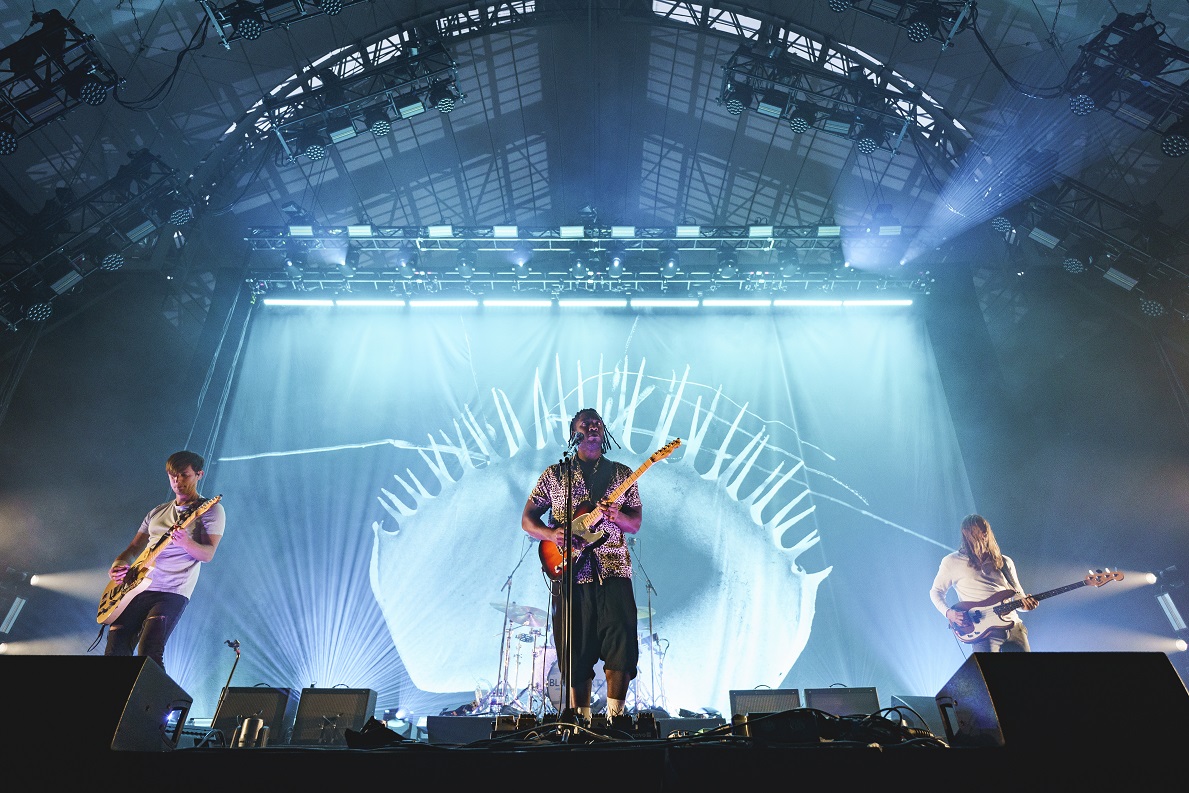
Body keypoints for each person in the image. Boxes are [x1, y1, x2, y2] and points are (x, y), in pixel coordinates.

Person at [521, 408, 643, 722]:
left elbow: (636, 523)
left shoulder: (622, 474)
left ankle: (616, 719)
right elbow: (527, 520)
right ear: (574, 431)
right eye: (585, 423)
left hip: (613, 570)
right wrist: (551, 533)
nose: (592, 426)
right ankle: (581, 722)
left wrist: (618, 516)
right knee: (574, 651)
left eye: (597, 422)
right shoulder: (555, 474)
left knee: (621, 645)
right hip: (571, 574)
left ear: (604, 432)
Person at [104, 450, 226, 671]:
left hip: (172, 591)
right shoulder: (157, 512)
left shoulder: (211, 510)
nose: (177, 481)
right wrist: (118, 565)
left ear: (199, 474)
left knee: (149, 651)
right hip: (135, 589)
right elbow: (133, 548)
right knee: (115, 649)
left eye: (184, 475)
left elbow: (207, 554)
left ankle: (155, 706)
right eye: (172, 476)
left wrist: (185, 542)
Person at [929, 513, 1038, 652]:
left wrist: (1026, 605)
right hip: (982, 631)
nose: (983, 535)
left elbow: (1018, 597)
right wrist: (949, 613)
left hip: (1013, 626)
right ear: (966, 534)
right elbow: (936, 592)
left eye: (985, 531)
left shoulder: (1005, 562)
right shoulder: (952, 561)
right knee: (987, 672)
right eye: (977, 532)